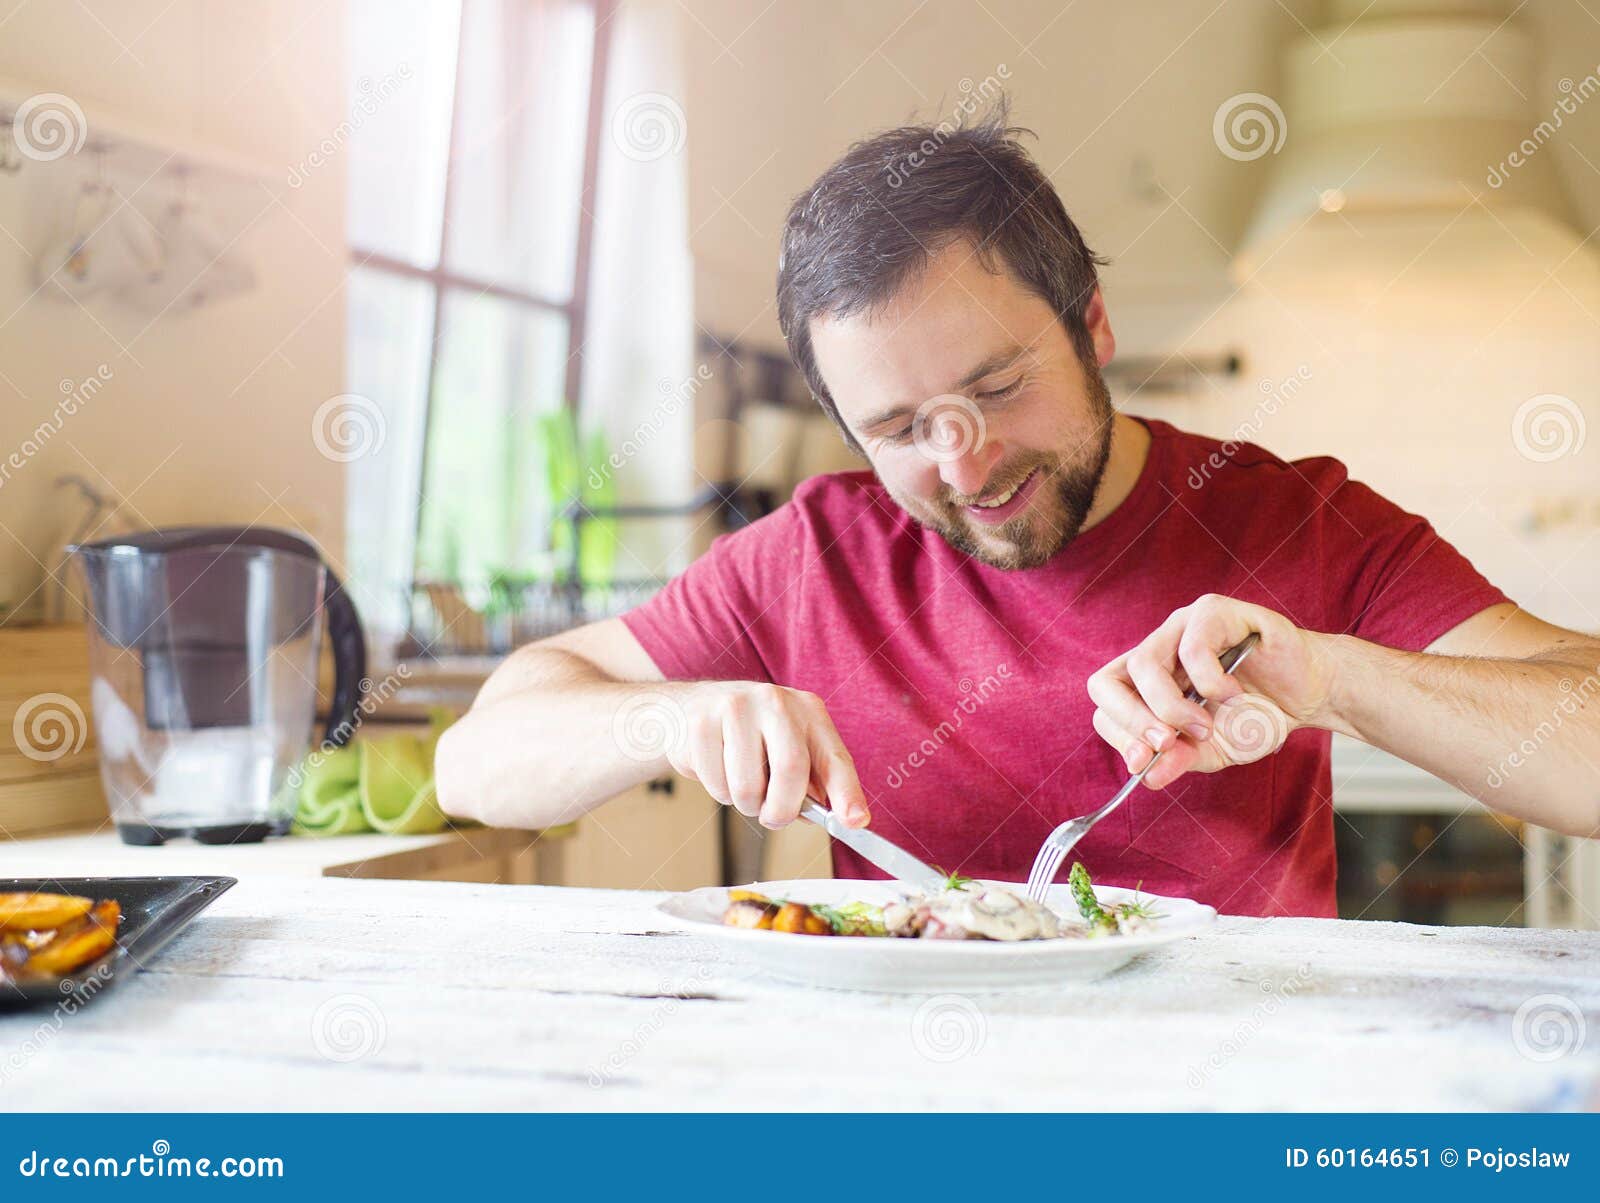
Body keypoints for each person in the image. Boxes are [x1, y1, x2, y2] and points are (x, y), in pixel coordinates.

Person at [436, 106, 1600, 917]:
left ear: (1092, 326)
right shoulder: (811, 557)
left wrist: (1333, 679)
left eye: (997, 387)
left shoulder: (1288, 520)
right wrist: (668, 720)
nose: (966, 462)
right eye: (897, 430)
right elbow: (476, 763)